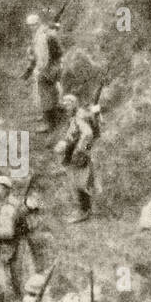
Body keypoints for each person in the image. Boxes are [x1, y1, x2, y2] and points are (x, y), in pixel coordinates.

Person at [56, 94, 99, 224]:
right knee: (78, 180)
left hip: (79, 154)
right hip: (77, 151)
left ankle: (84, 211)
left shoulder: (79, 117)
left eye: (67, 103)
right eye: (64, 103)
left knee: (79, 183)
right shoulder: (77, 114)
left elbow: (88, 134)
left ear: (74, 104)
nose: (65, 105)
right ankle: (85, 209)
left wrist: (81, 150)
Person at [24, 13, 63, 132]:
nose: (31, 27)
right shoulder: (44, 33)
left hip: (48, 68)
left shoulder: (43, 36)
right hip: (53, 66)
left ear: (38, 23)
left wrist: (42, 70)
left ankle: (49, 124)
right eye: (29, 25)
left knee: (45, 95)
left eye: (33, 24)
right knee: (51, 93)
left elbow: (45, 56)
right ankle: (51, 116)